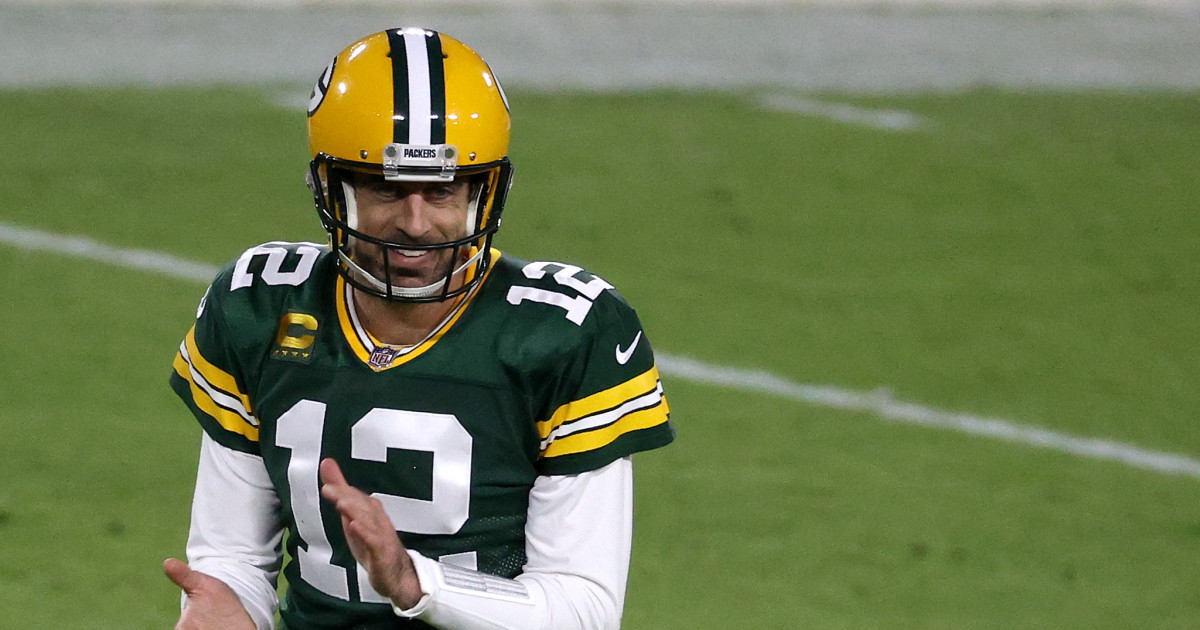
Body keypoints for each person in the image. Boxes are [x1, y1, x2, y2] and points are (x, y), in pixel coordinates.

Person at [163, 27, 675, 630]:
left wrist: (415, 582)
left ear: (483, 191)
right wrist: (232, 609)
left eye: (442, 189)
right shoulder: (258, 305)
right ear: (333, 189)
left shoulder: (564, 331)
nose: (416, 222)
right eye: (385, 188)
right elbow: (230, 556)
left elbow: (583, 609)